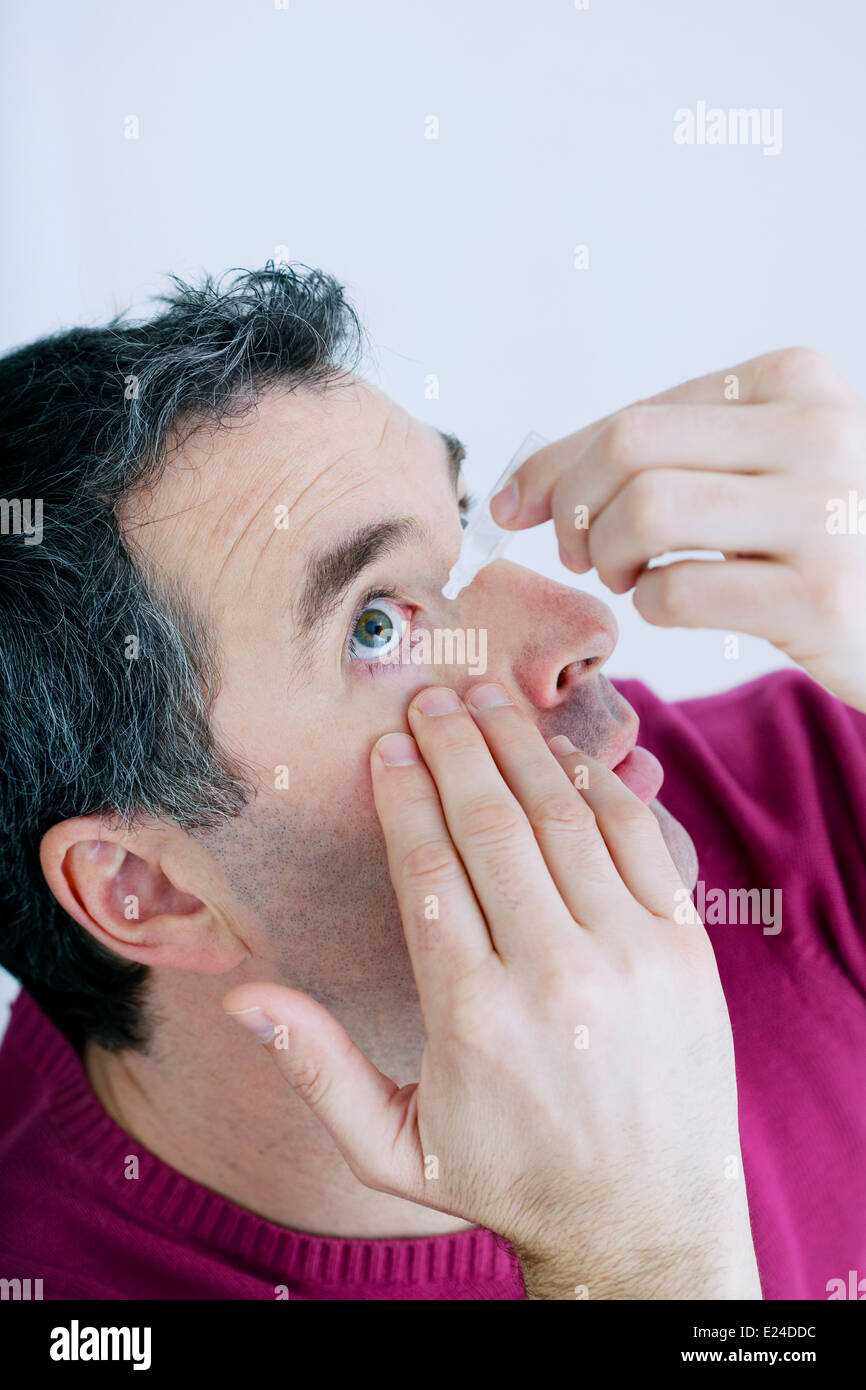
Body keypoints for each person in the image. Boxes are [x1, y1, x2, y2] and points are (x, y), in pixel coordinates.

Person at [1, 267, 864, 1300]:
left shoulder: (797, 790)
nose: (585, 634)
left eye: (460, 543)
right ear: (149, 885)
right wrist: (646, 1260)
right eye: (379, 624)